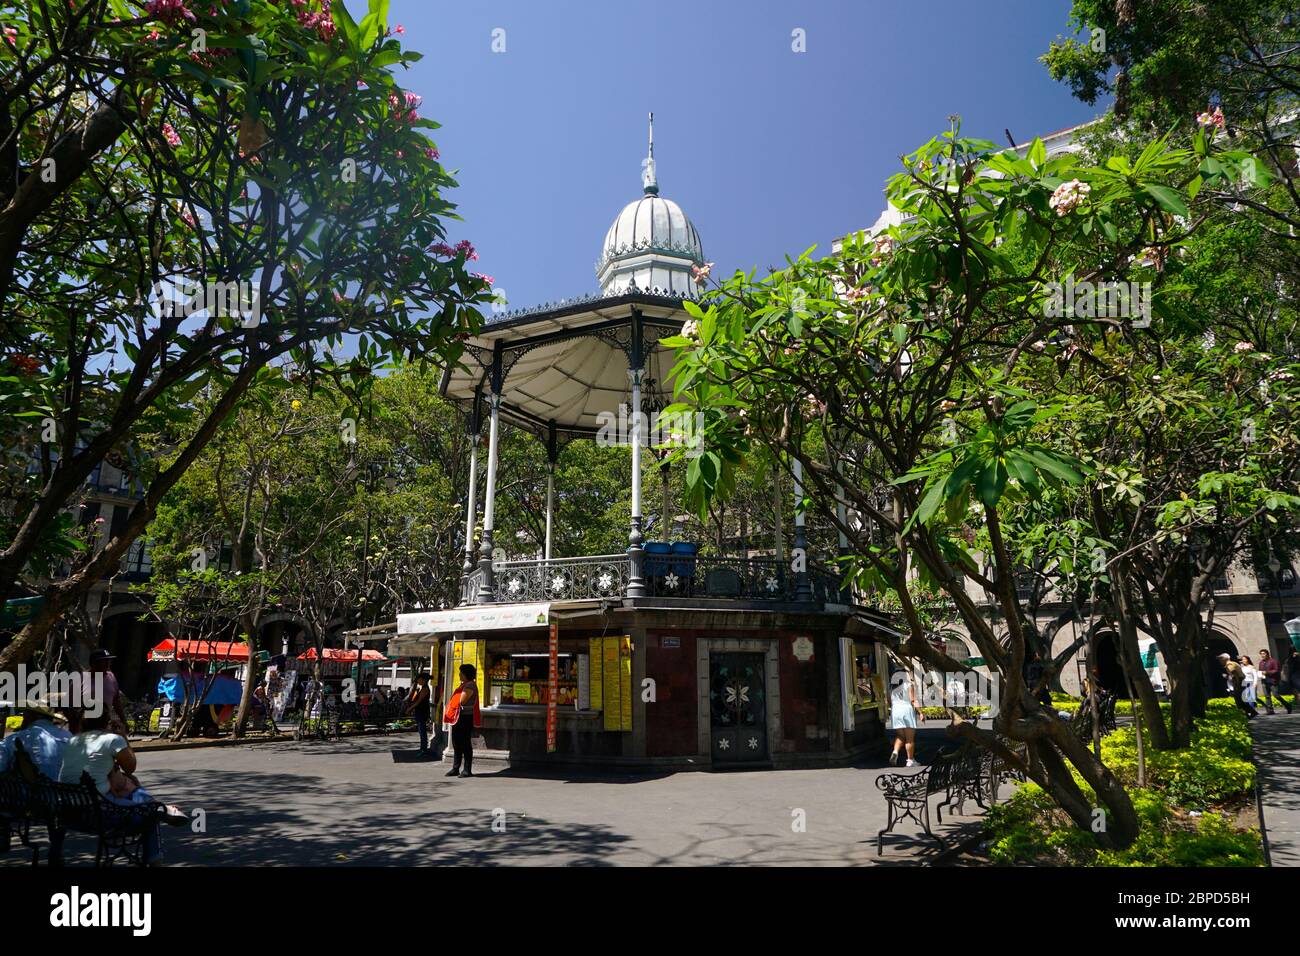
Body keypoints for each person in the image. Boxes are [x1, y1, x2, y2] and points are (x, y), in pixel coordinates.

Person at [59, 709, 186, 865]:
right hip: (99, 813)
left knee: (130, 783)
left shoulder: (73, 741)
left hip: (71, 812)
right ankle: (161, 815)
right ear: (106, 721)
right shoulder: (112, 740)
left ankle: (161, 808)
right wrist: (123, 736)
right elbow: (130, 766)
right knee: (150, 814)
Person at [0, 697, 72, 779]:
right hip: (68, 790)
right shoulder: (69, 736)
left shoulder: (15, 739)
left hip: (30, 790)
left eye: (24, 714)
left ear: (29, 715)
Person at [445, 664, 481, 778]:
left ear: (466, 674)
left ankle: (467, 770)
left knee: (465, 743)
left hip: (465, 718)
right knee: (456, 743)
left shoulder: (470, 685)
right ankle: (455, 768)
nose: (459, 674)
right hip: (458, 717)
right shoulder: (464, 685)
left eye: (461, 672)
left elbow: (463, 701)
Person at [82, 648, 128, 735]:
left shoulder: (111, 677)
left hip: (105, 725)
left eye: (109, 661)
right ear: (94, 663)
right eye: (104, 661)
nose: (108, 664)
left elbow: (116, 701)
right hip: (86, 726)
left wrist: (123, 721)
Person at [887, 663, 920, 767]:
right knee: (910, 738)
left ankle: (895, 751)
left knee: (900, 735)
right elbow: (913, 700)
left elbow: (888, 701)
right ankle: (910, 760)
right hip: (906, 710)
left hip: (895, 711)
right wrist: (921, 712)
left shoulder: (890, 687)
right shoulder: (908, 685)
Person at [405, 671, 434, 755]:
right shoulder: (423, 688)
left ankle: (424, 749)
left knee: (422, 731)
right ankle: (422, 748)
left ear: (424, 680)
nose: (418, 681)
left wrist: (410, 709)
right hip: (420, 711)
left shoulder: (425, 689)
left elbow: (418, 701)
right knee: (421, 731)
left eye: (419, 679)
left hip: (422, 712)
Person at [1219, 653, 1255, 718]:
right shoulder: (1233, 663)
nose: (1220, 661)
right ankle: (1250, 713)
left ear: (1224, 659)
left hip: (1238, 683)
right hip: (1240, 682)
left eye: (1220, 659)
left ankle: (1251, 713)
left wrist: (1237, 685)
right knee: (1242, 700)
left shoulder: (1229, 665)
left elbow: (1235, 675)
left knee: (1240, 701)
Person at [1260, 649, 1292, 714]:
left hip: (1272, 681)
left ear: (1267, 654)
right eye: (1261, 654)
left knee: (1276, 695)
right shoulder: (1261, 662)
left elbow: (1277, 670)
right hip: (1264, 681)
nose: (1262, 655)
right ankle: (1270, 711)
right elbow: (1261, 670)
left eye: (1263, 653)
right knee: (1267, 696)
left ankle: (1288, 706)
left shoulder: (1273, 661)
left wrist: (1267, 672)